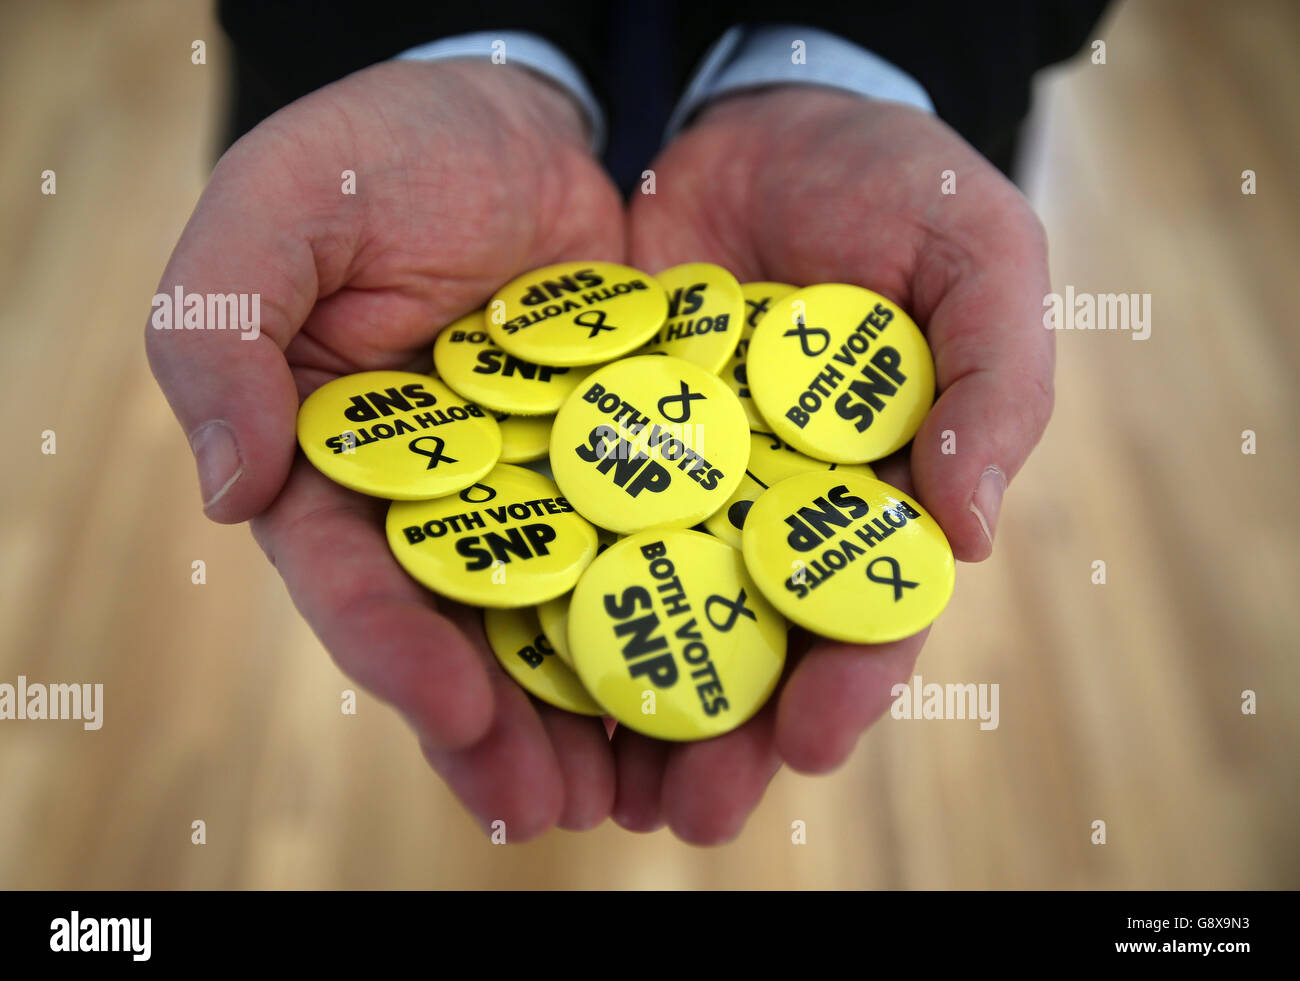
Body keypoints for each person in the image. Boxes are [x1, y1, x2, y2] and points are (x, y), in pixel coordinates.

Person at [146, 1, 1106, 845]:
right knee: (463, 689)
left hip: (809, 169)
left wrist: (858, 55)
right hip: (447, 178)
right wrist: (451, 51)